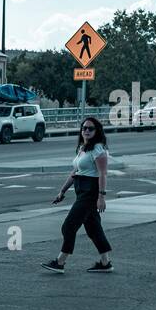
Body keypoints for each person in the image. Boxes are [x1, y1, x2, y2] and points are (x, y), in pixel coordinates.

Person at [41, 116, 113, 274]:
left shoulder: (98, 149)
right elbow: (75, 171)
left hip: (90, 191)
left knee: (69, 226)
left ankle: (60, 261)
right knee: (93, 228)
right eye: (84, 128)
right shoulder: (83, 148)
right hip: (81, 189)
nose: (86, 131)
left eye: (90, 128)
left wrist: (101, 197)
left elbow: (103, 174)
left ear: (97, 131)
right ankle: (105, 262)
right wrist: (62, 191)